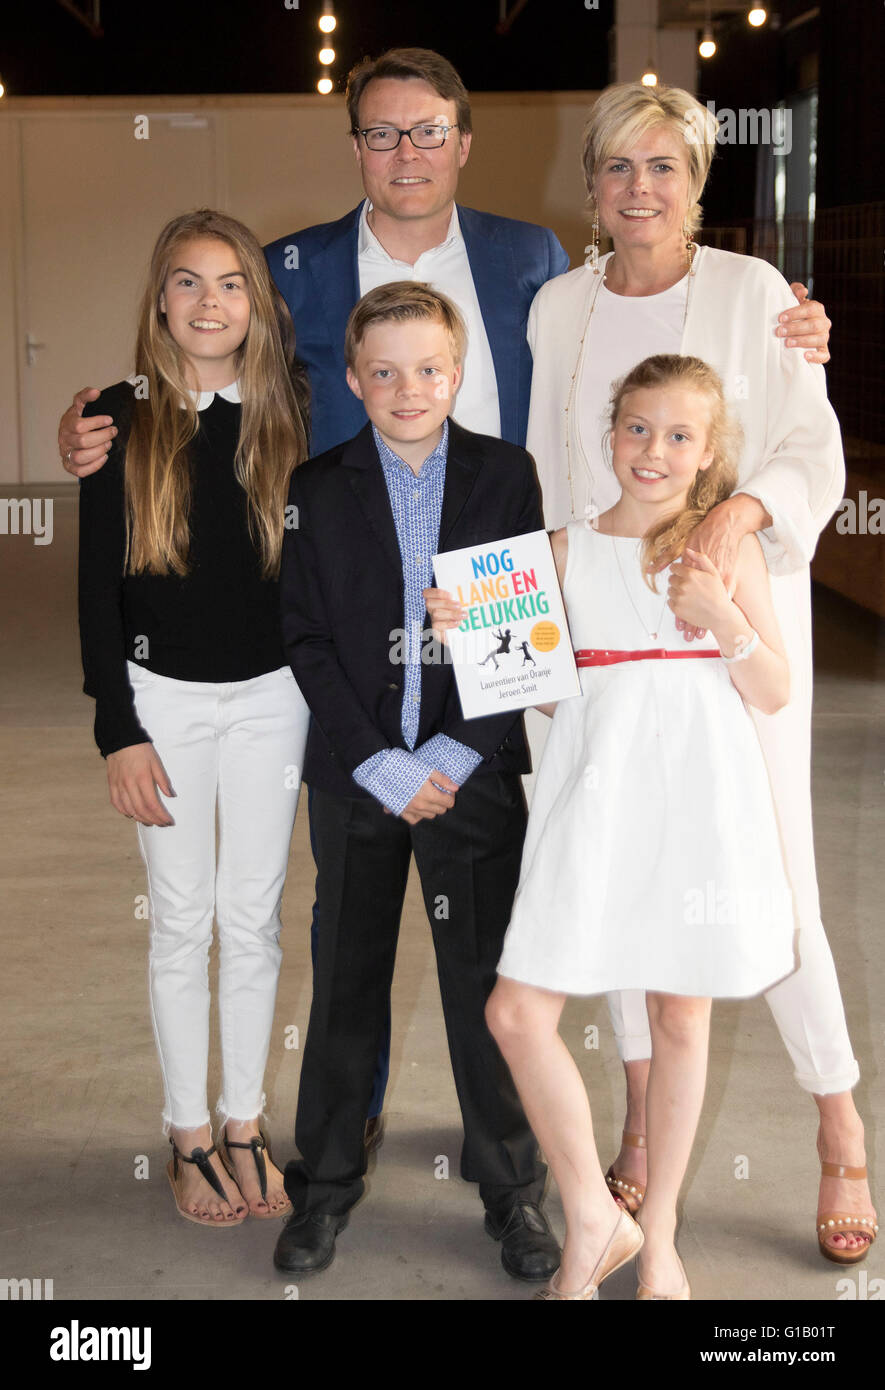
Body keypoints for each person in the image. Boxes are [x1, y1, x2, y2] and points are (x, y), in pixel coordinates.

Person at [56, 49, 831, 1162]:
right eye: (382, 133)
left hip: (510, 613)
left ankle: (518, 1155)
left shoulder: (533, 261)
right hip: (346, 635)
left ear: (463, 142)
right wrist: (102, 417)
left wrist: (791, 333)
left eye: (428, 131)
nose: (407, 153)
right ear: (356, 148)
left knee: (524, 909)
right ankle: (344, 1130)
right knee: (348, 925)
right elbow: (213, 360)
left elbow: (636, 365)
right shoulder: (294, 267)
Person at [524, 80, 877, 1266]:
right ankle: (642, 1119)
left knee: (773, 872)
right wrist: (532, 621)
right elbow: (543, 466)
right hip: (601, 617)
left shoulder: (755, 292)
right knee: (620, 862)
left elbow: (810, 445)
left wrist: (738, 518)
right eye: (619, 166)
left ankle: (838, 1120)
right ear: (592, 184)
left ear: (698, 181)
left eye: (664, 166)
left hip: (730, 603)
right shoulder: (559, 308)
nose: (642, 189)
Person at [429, 353, 797, 1299]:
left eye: (678, 435)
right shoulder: (557, 551)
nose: (652, 450)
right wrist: (473, 639)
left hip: (698, 804)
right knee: (515, 1012)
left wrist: (723, 619)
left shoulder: (722, 554)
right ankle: (594, 1215)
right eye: (636, 427)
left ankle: (659, 1236)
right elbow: (562, 697)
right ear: (609, 433)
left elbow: (771, 690)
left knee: (679, 1014)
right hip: (591, 802)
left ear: (707, 451)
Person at [272, 282, 557, 1281]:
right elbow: (305, 637)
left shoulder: (505, 475)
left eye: (429, 368)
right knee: (345, 983)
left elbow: (523, 629)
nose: (407, 388)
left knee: (487, 990)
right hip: (358, 779)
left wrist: (448, 755)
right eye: (384, 371)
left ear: (458, 371)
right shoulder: (317, 486)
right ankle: (326, 1183)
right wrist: (379, 761)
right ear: (353, 379)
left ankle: (513, 1188)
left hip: (471, 773)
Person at [77, 209, 311, 1227]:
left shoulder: (294, 413)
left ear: (258, 303)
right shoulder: (115, 416)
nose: (209, 302)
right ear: (159, 301)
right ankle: (185, 1135)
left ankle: (244, 1122)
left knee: (252, 915)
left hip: (272, 698)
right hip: (162, 702)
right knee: (181, 919)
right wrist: (118, 730)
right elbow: (97, 589)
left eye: (230, 283)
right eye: (187, 281)